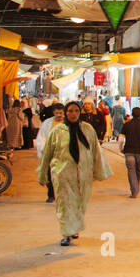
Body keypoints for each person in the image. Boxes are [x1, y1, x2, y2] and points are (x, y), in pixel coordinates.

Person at [36, 100, 111, 246]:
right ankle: (66, 233)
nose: (73, 114)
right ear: (65, 113)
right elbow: (47, 154)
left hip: (83, 176)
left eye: (76, 111)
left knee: (79, 204)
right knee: (65, 205)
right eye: (70, 111)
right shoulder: (57, 131)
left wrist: (99, 171)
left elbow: (96, 151)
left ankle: (74, 227)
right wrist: (42, 174)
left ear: (80, 112)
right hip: (62, 175)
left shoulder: (88, 130)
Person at [33, 103, 64, 203]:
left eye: (61, 112)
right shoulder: (47, 123)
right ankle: (51, 195)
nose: (59, 115)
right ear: (53, 113)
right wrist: (43, 148)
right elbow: (41, 137)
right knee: (50, 175)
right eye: (57, 113)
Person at [119, 106, 140, 198]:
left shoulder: (126, 125)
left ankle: (134, 190)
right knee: (137, 169)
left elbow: (121, 139)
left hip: (129, 150)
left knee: (131, 170)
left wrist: (121, 148)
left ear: (132, 114)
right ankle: (136, 187)